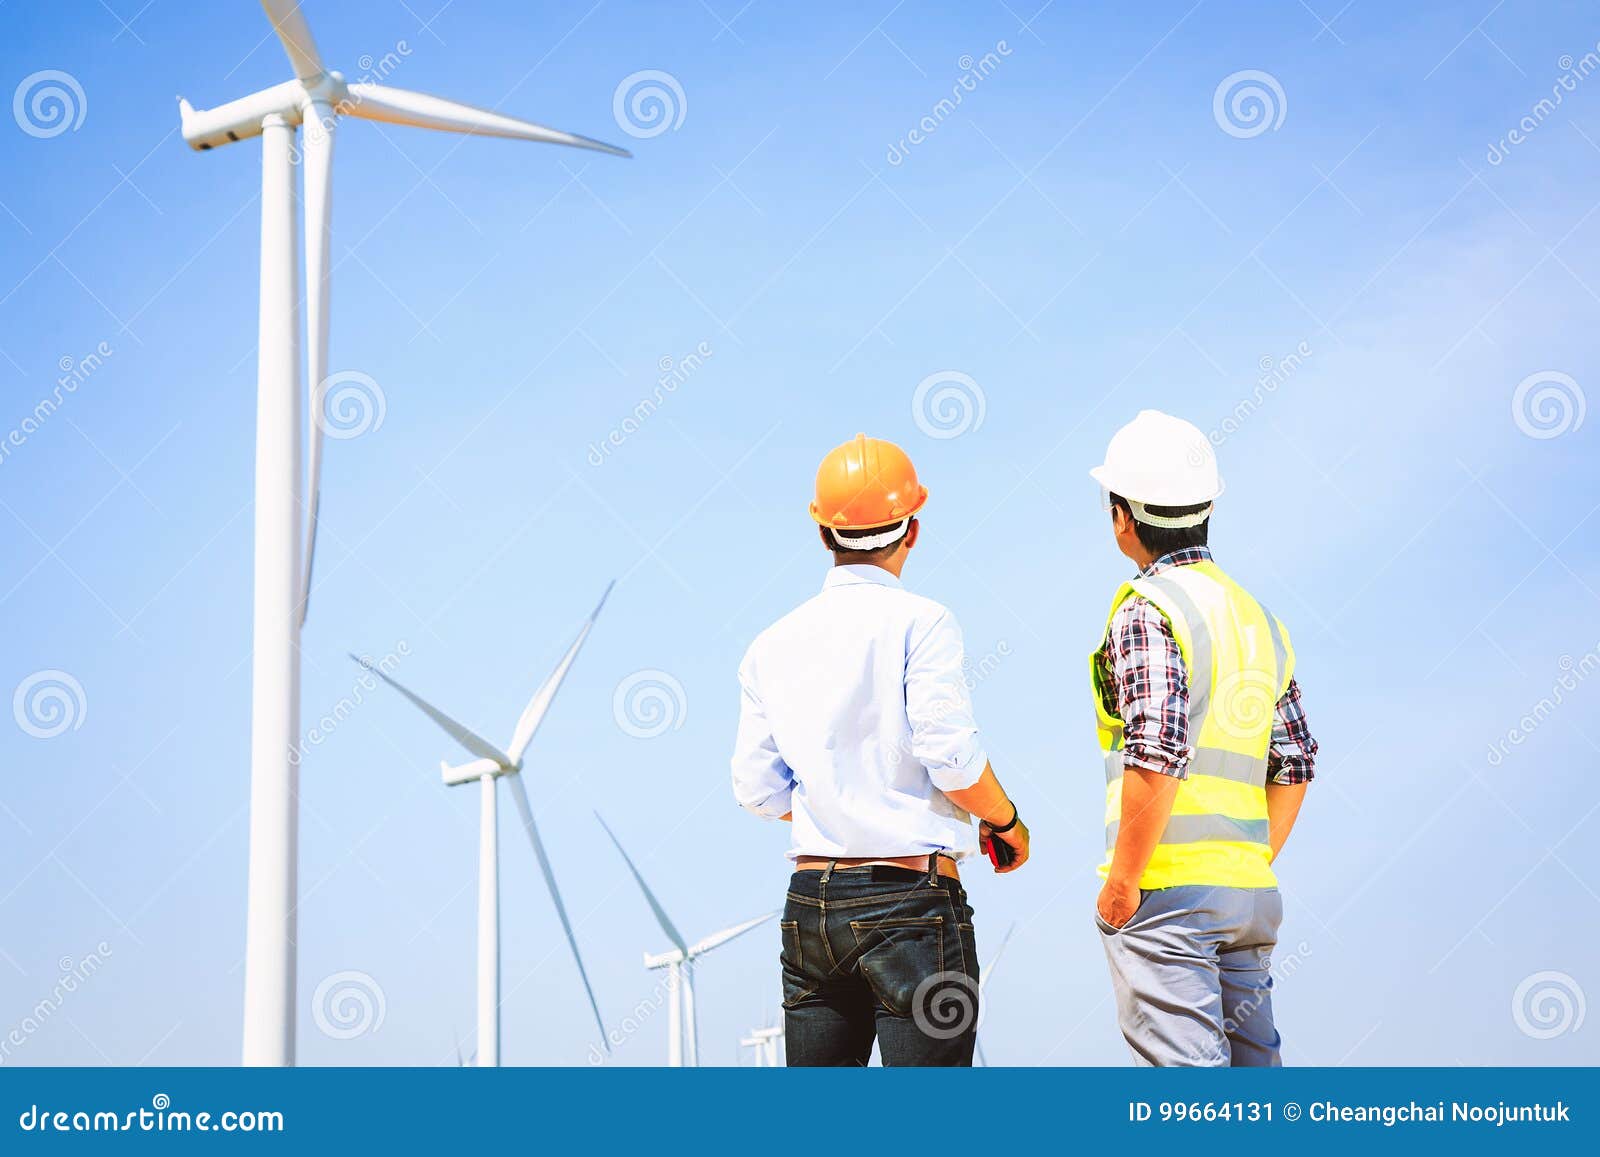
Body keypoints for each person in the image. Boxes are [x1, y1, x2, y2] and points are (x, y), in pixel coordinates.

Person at [731, 433, 1029, 1066]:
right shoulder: (924, 622)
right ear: (912, 529)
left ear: (822, 534)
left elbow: (757, 790)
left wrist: (839, 806)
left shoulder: (771, 643)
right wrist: (1003, 820)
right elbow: (950, 757)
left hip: (810, 906)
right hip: (910, 905)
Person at [1087, 410, 1318, 1066]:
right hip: (1247, 895)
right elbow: (1296, 764)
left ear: (1122, 517)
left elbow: (1156, 752)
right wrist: (1247, 862)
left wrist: (1123, 884)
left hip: (1165, 895)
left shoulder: (1148, 608)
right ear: (1208, 507)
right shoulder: (1258, 618)